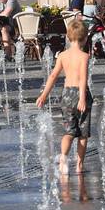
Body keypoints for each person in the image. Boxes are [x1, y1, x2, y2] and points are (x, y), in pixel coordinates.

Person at [36, 18, 92, 182]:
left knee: (69, 131)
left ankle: (63, 159)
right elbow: (83, 79)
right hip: (81, 95)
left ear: (68, 36)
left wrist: (44, 95)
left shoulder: (62, 55)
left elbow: (53, 76)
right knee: (82, 134)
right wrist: (82, 97)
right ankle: (79, 164)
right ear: (85, 37)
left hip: (66, 95)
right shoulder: (84, 56)